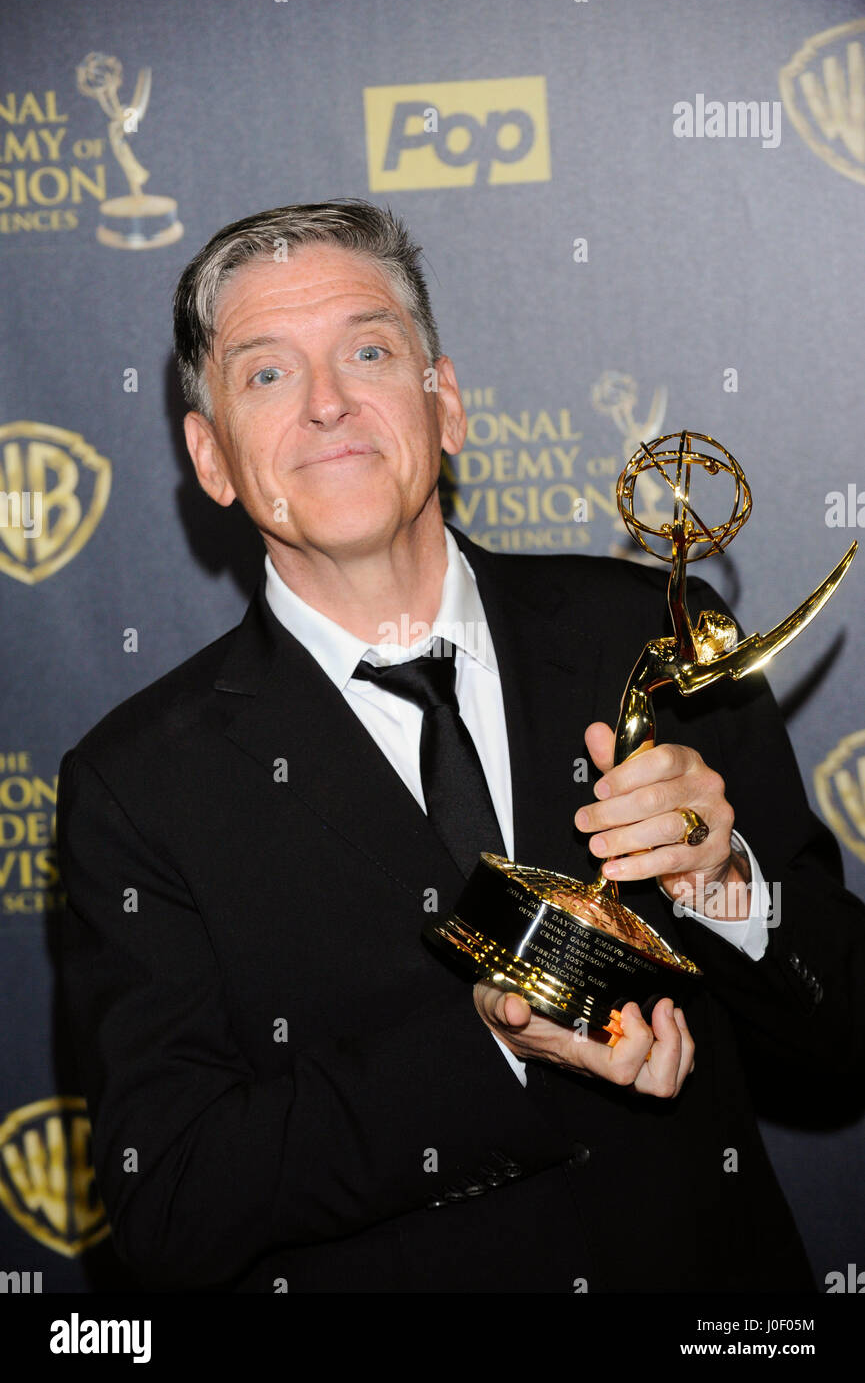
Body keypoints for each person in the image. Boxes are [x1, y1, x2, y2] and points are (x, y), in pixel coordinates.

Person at [57, 199, 865, 1294]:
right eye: (266, 375)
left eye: (369, 350)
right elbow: (171, 1198)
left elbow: (843, 1043)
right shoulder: (138, 784)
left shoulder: (647, 642)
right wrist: (493, 1040)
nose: (329, 403)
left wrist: (723, 888)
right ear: (210, 457)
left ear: (445, 405)